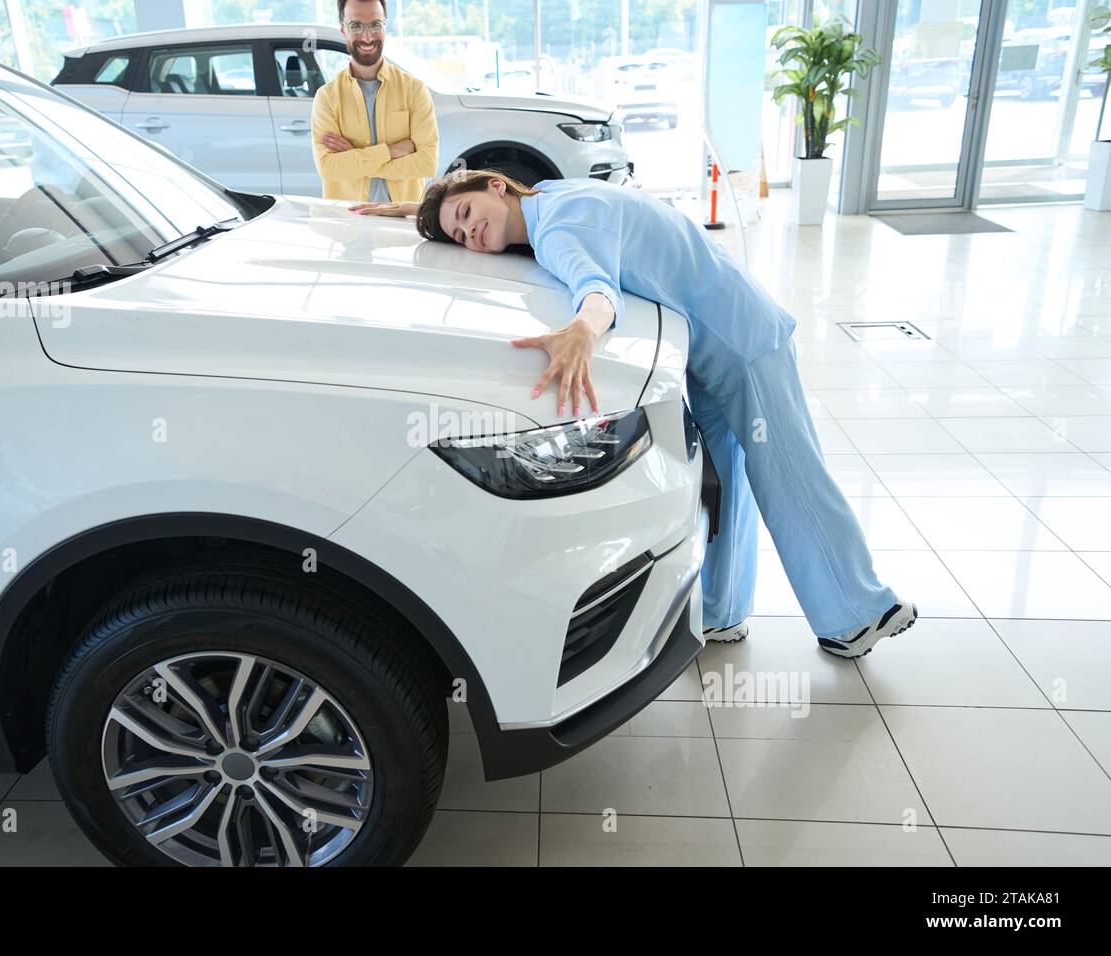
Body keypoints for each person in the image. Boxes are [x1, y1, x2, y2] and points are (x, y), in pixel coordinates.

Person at [357, 171, 917, 658]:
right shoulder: (551, 195)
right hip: (715, 347)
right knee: (730, 487)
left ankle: (855, 614)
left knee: (791, 477)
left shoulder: (557, 230)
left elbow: (597, 291)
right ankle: (721, 613)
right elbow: (495, 209)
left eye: (466, 215)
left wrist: (581, 332)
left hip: (744, 341)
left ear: (496, 186)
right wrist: (413, 210)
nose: (468, 232)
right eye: (458, 235)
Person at [311, 0, 439, 204]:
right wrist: (391, 151)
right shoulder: (326, 97)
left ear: (385, 26)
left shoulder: (414, 90)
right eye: (356, 26)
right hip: (348, 225)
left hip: (403, 224)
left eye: (375, 24)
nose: (367, 36)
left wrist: (355, 158)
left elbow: (427, 163)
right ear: (343, 30)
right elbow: (329, 169)